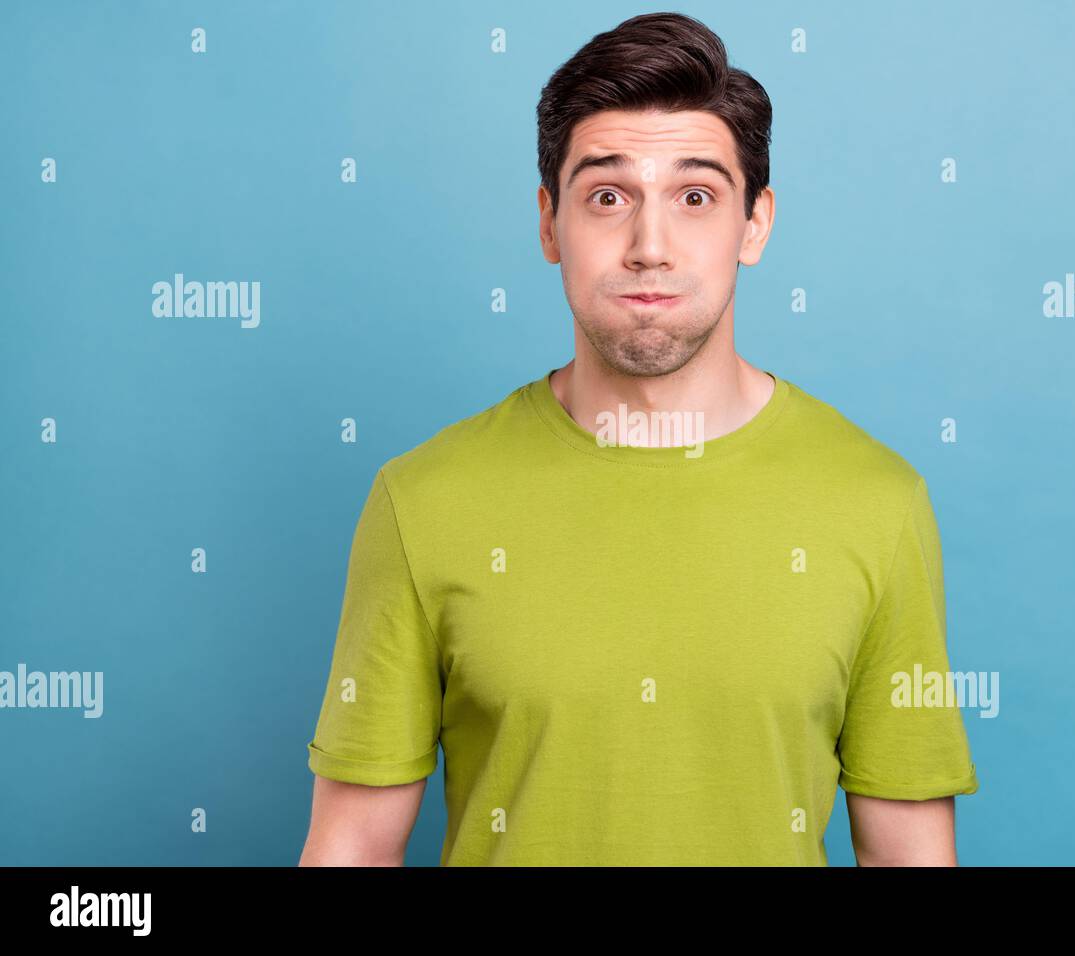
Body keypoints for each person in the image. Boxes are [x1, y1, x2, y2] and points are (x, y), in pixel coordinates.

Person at [299, 11, 978, 867]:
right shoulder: (421, 500)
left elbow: (910, 857)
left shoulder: (878, 503)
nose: (649, 247)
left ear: (755, 224)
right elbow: (350, 850)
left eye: (695, 197)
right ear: (550, 224)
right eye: (608, 196)